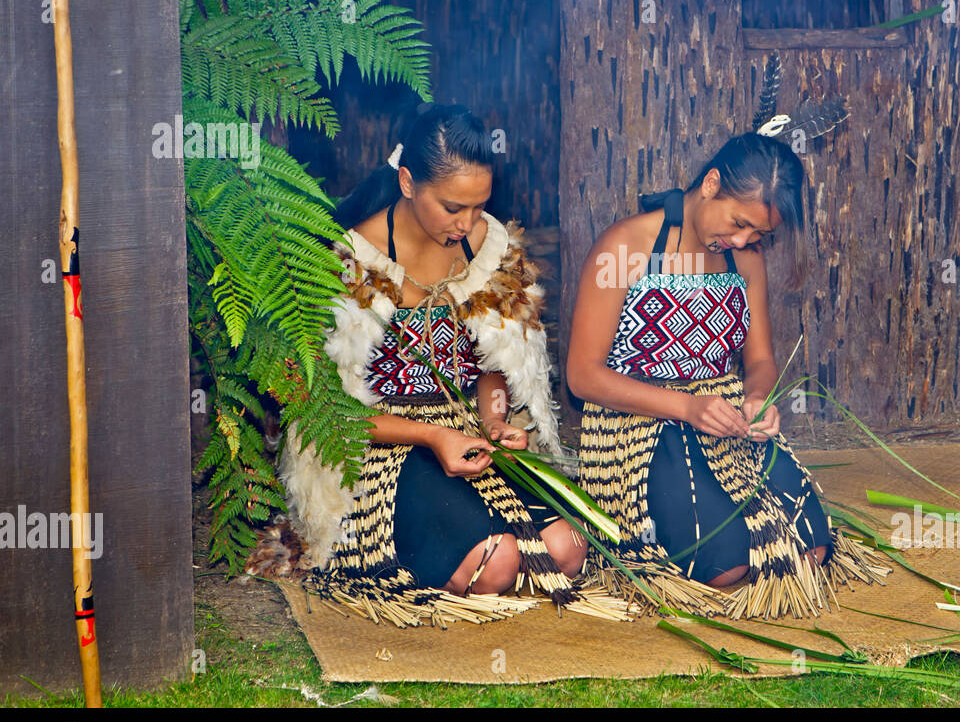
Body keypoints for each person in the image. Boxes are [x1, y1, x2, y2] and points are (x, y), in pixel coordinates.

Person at [277, 103, 627, 627]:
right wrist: (430, 437)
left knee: (567, 547)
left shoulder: (489, 246)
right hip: (382, 445)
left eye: (478, 206)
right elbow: (325, 408)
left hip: (466, 432)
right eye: (452, 207)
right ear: (407, 182)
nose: (466, 224)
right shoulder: (345, 261)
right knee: (497, 563)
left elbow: (490, 363)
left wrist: (494, 420)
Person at [566, 132, 889, 619]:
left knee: (811, 548)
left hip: (725, 416)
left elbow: (759, 361)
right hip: (635, 426)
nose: (740, 241)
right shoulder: (627, 246)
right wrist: (687, 408)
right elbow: (582, 377)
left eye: (758, 235)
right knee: (723, 565)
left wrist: (758, 397)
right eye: (739, 224)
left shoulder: (745, 261)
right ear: (711, 183)